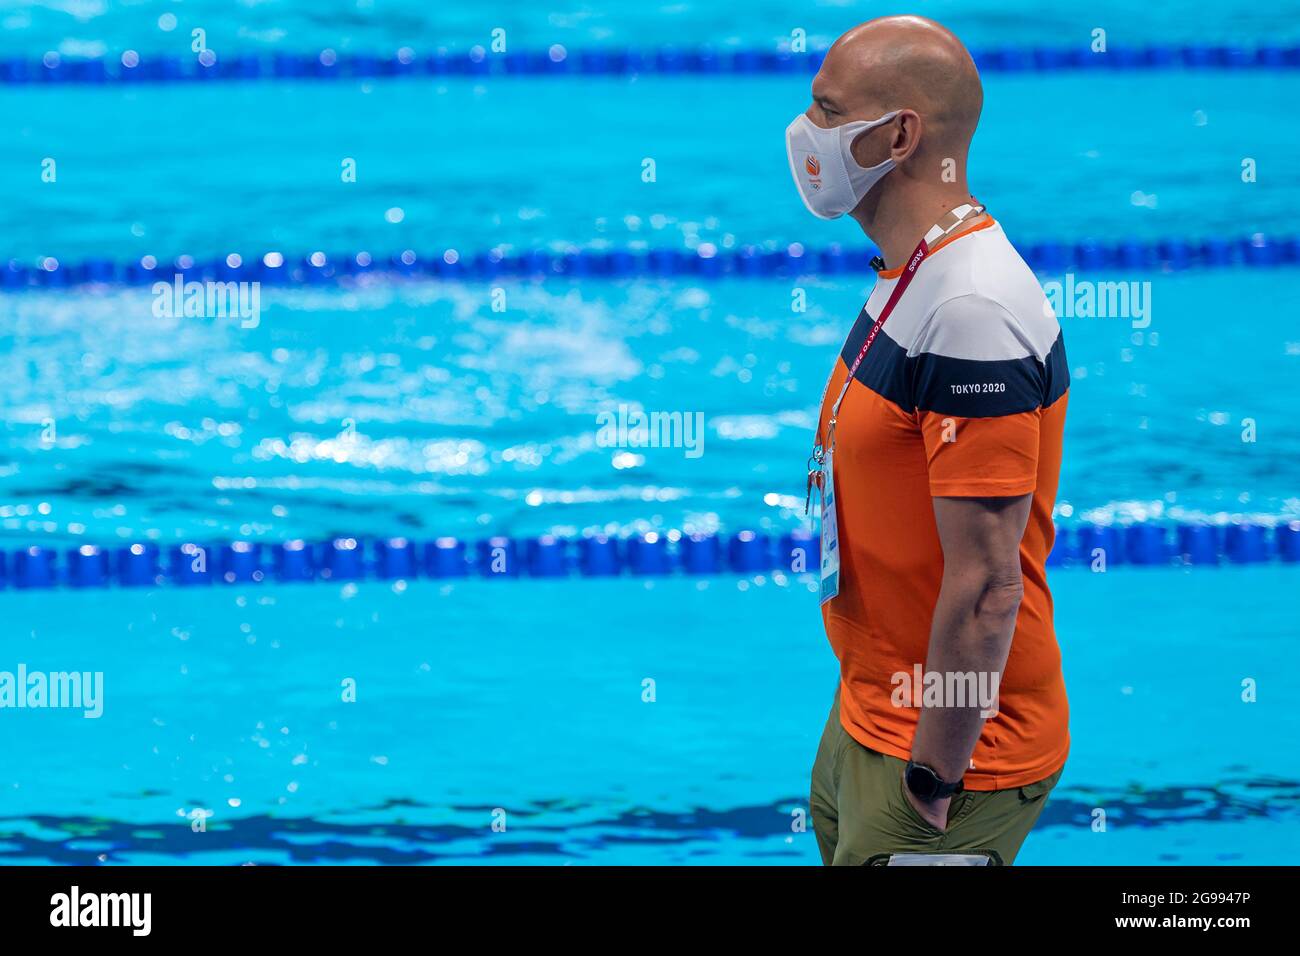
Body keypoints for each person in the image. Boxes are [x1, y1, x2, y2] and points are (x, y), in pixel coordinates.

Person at [788, 15, 1070, 865]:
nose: (806, 132)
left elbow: (988, 586)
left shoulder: (969, 311)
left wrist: (933, 781)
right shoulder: (912, 271)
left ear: (899, 135)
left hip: (952, 754)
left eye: (827, 111)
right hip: (872, 713)